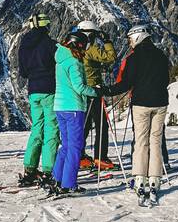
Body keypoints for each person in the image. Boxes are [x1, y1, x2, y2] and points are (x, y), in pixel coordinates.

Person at [98, 25, 171, 205]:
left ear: (137, 37)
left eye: (130, 39)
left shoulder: (133, 58)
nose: (130, 43)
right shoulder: (161, 55)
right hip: (161, 103)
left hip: (141, 103)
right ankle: (155, 179)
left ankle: (139, 180)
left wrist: (106, 90)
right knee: (156, 141)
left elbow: (125, 83)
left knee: (141, 141)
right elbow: (166, 79)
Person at [50, 28, 96, 197]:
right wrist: (96, 91)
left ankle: (57, 178)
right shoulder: (74, 63)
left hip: (60, 107)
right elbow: (79, 87)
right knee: (76, 147)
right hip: (74, 108)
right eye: (84, 47)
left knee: (66, 146)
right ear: (78, 45)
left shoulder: (60, 60)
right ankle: (69, 185)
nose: (84, 51)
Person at [16, 13, 58, 188]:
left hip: (33, 91)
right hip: (49, 89)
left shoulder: (24, 45)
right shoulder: (50, 44)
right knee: (51, 130)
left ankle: (30, 168)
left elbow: (23, 73)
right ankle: (49, 169)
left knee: (36, 129)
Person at [77, 21, 119, 171]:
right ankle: (100, 158)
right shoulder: (91, 48)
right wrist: (107, 42)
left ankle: (80, 157)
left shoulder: (77, 49)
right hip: (94, 91)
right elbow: (111, 57)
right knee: (101, 125)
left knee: (85, 126)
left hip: (81, 91)